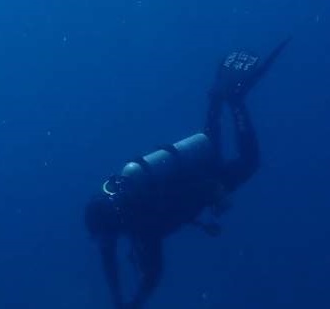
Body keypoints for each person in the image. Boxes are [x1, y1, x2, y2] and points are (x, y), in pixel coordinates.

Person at [85, 39, 290, 308]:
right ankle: (216, 99)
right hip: (192, 169)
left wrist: (133, 302)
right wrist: (117, 299)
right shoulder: (121, 201)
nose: (108, 243)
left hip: (204, 183)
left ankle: (235, 102)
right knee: (209, 146)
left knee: (249, 162)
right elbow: (108, 257)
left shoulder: (142, 225)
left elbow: (152, 274)